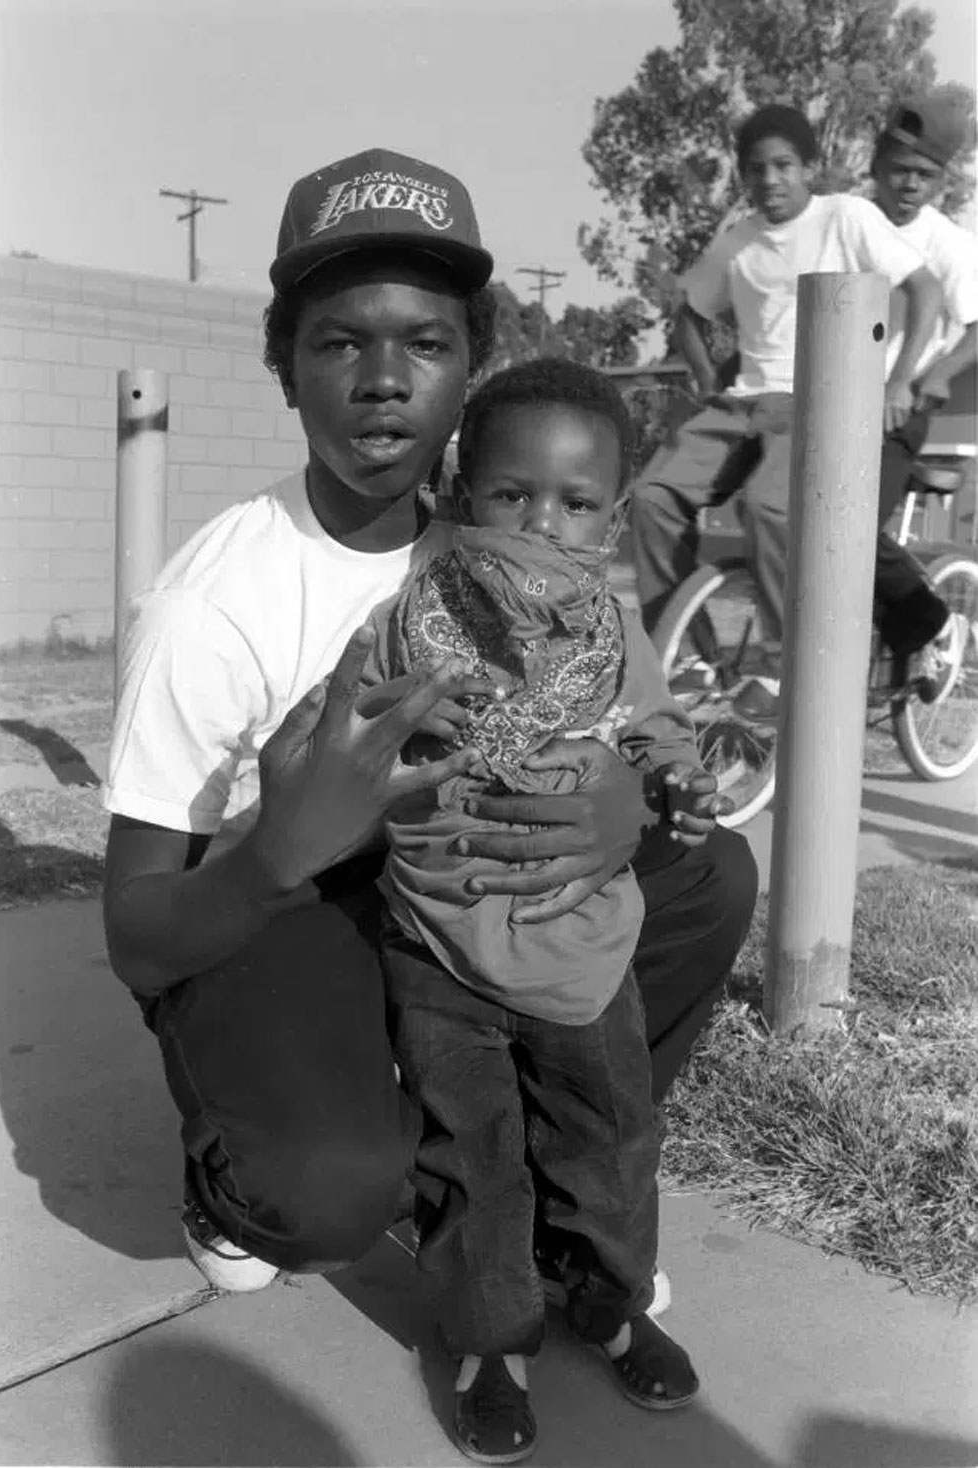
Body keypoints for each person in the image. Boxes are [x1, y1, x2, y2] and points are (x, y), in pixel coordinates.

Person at [101, 146, 757, 1375]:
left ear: (473, 370)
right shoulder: (216, 601)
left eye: (428, 343)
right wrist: (277, 849)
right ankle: (236, 1169)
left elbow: (617, 700)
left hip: (448, 878)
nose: (385, 381)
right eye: (340, 342)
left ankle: (554, 1168)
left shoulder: (506, 533)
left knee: (708, 874)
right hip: (285, 900)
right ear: (282, 365)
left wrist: (627, 802)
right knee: (337, 1192)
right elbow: (136, 937)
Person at [360, 359, 718, 1461]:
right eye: (513, 495)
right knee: (472, 1152)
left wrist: (679, 779)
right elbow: (355, 738)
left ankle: (610, 1302)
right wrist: (403, 728)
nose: (541, 521)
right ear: (466, 494)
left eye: (573, 501)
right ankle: (492, 1340)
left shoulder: (615, 630)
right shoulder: (413, 615)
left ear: (611, 517)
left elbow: (655, 727)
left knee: (606, 1139)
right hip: (440, 935)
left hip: (581, 940)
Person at [629, 103, 942, 714]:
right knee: (651, 496)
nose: (769, 181)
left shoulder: (845, 216)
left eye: (783, 166)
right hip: (742, 401)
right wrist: (702, 377)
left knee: (773, 505)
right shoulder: (737, 242)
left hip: (817, 398)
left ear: (811, 168)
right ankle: (690, 655)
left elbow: (925, 291)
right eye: (755, 169)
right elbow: (689, 314)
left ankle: (782, 658)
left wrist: (899, 382)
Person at [867, 95, 977, 687]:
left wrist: (931, 375)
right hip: (834, 397)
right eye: (900, 169)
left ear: (940, 181)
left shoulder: (951, 244)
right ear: (877, 165)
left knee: (851, 530)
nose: (910, 184)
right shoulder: (850, 223)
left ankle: (931, 622)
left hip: (901, 411)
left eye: (926, 175)